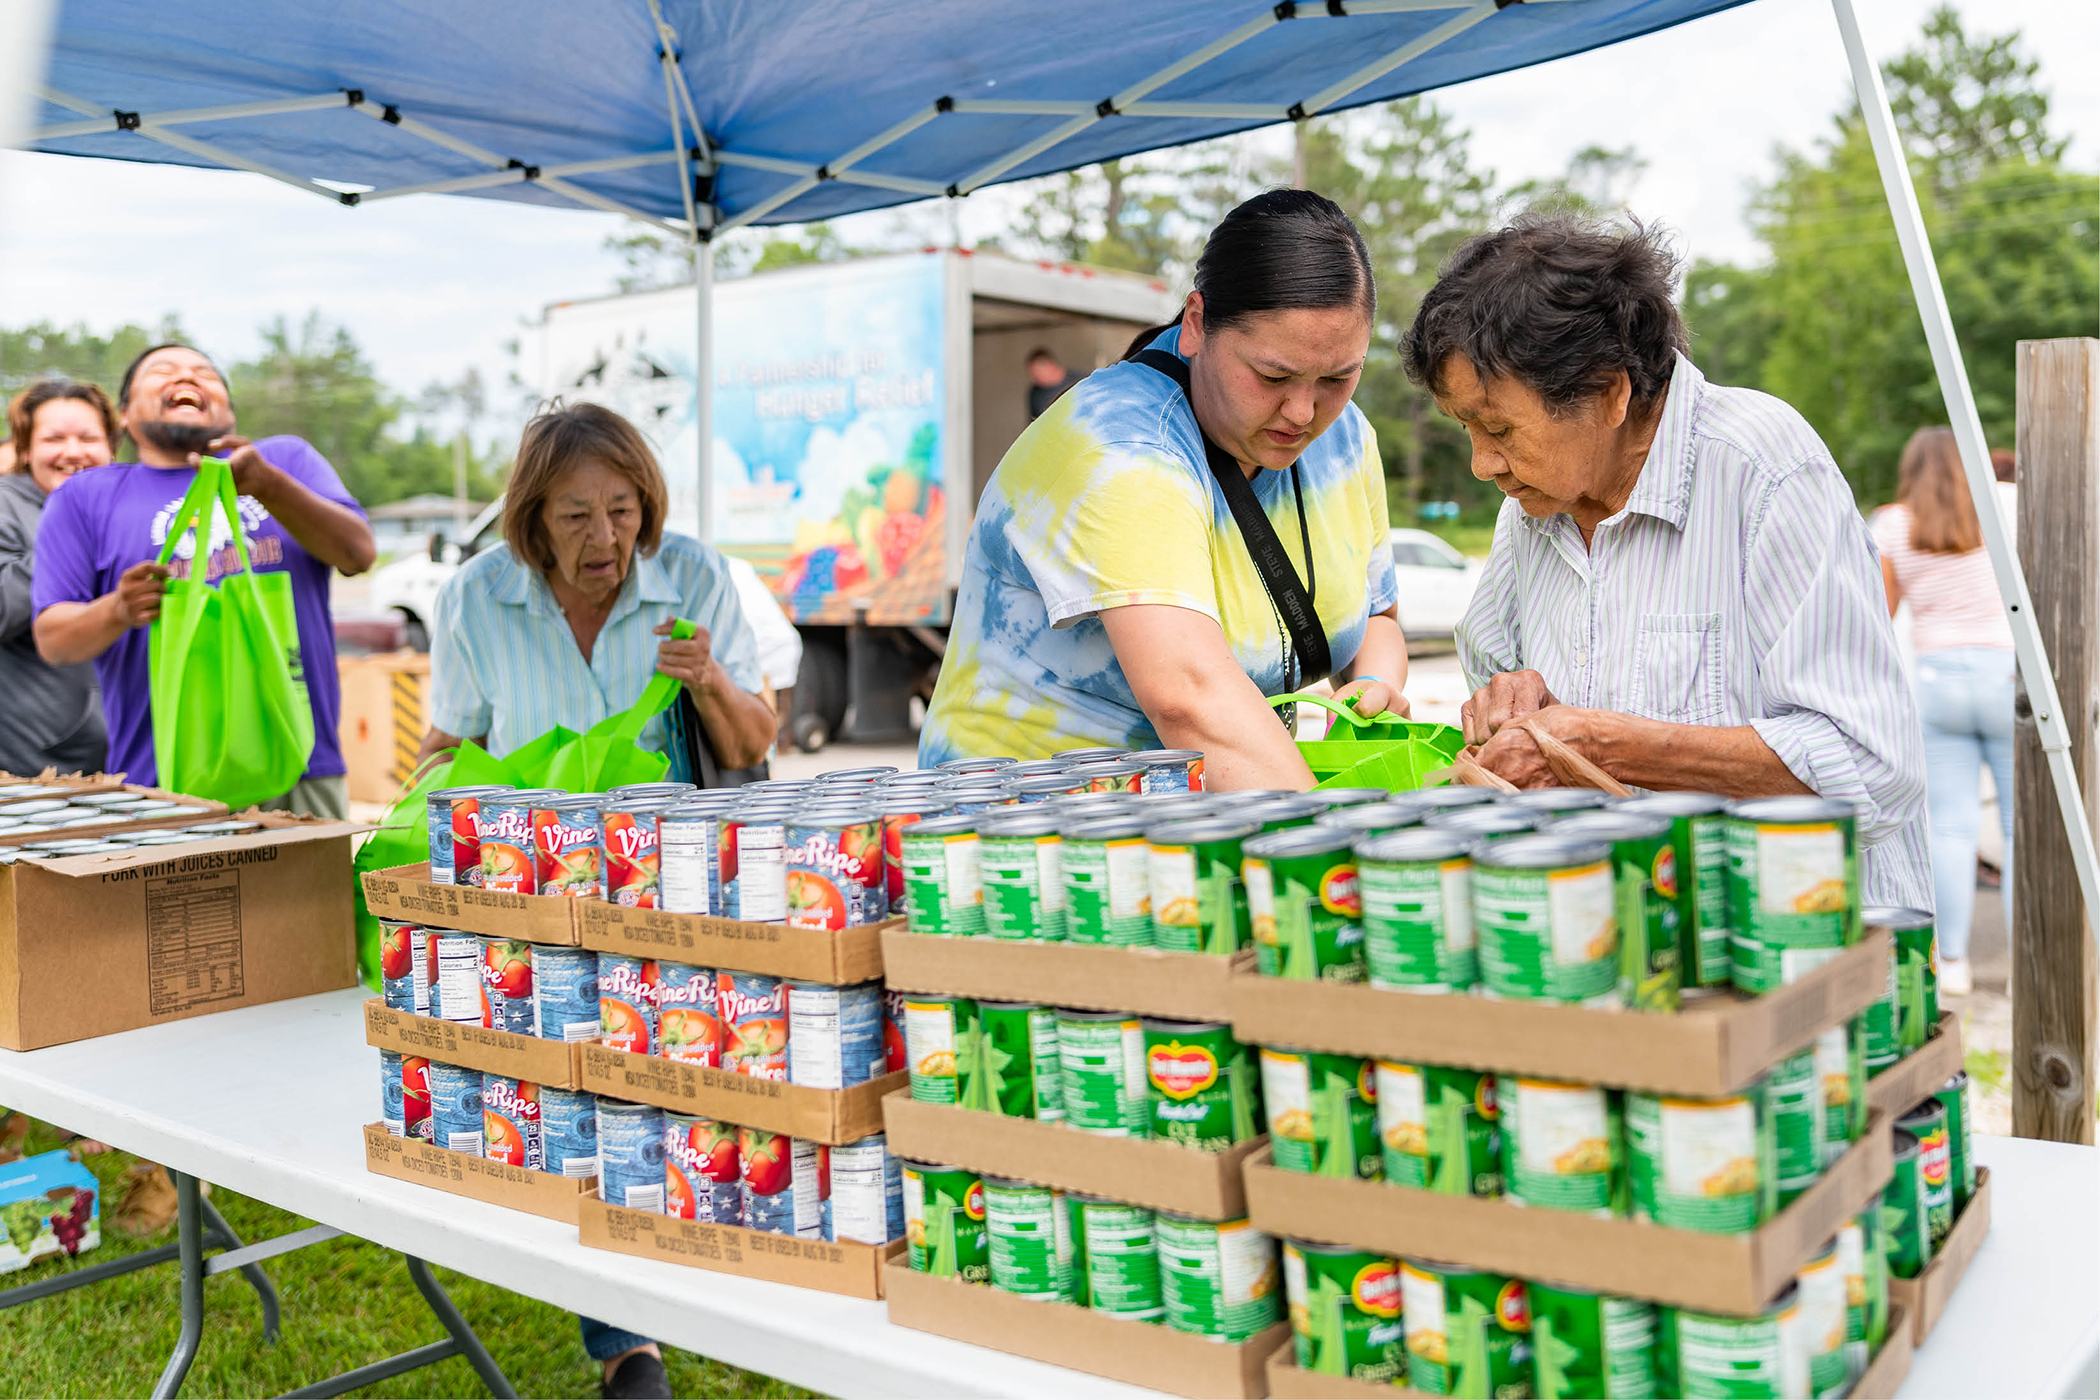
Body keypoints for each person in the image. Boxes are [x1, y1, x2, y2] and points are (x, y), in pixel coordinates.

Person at [1410, 214, 1929, 910]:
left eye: (1499, 428)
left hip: (1806, 940)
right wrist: (1514, 703)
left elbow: (1871, 770)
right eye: (1465, 428)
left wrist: (1601, 741)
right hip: (1629, 935)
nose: (1481, 463)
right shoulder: (1532, 506)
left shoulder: (1764, 468)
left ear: (1609, 391)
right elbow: (1499, 671)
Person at [416, 403, 768, 1398]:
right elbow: (448, 747)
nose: (604, 537)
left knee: (665, 1096)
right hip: (535, 899)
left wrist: (705, 679)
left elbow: (747, 744)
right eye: (575, 515)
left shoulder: (693, 575)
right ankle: (629, 1341)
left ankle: (653, 1317)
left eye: (621, 509)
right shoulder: (475, 596)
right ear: (532, 517)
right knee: (581, 1102)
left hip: (674, 892)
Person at [922, 189, 1408, 786]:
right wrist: (1339, 848)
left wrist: (1374, 688)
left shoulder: (1346, 438)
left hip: (1206, 822)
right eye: (1272, 375)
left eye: (1338, 376)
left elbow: (1378, 615)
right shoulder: (1121, 447)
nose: (1304, 412)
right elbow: (1188, 697)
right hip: (1033, 830)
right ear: (1198, 322)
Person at [31, 344, 375, 816]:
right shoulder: (85, 498)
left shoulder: (286, 461)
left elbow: (357, 554)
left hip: (300, 766)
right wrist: (118, 609)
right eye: (163, 372)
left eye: (204, 373)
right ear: (125, 416)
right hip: (159, 782)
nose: (186, 378)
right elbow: (54, 640)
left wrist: (270, 485)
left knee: (315, 894)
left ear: (230, 413)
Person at [1873, 428, 2012, 995]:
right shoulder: (2003, 507)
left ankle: (1951, 961)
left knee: (1950, 826)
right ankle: (2028, 961)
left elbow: (1880, 613)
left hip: (1936, 680)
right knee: (2019, 828)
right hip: (2008, 677)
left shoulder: (1892, 524)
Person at [1, 379, 116, 776]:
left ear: (111, 448)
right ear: (26, 449)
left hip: (131, 758)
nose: (73, 452)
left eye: (88, 438)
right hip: (41, 769)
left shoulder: (125, 508)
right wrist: (68, 537)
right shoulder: (5, 504)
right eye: (53, 438)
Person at [1025, 347, 1081, 420]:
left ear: (1051, 366)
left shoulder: (1079, 381)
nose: (1034, 379)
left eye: (1037, 374)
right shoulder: (1035, 394)